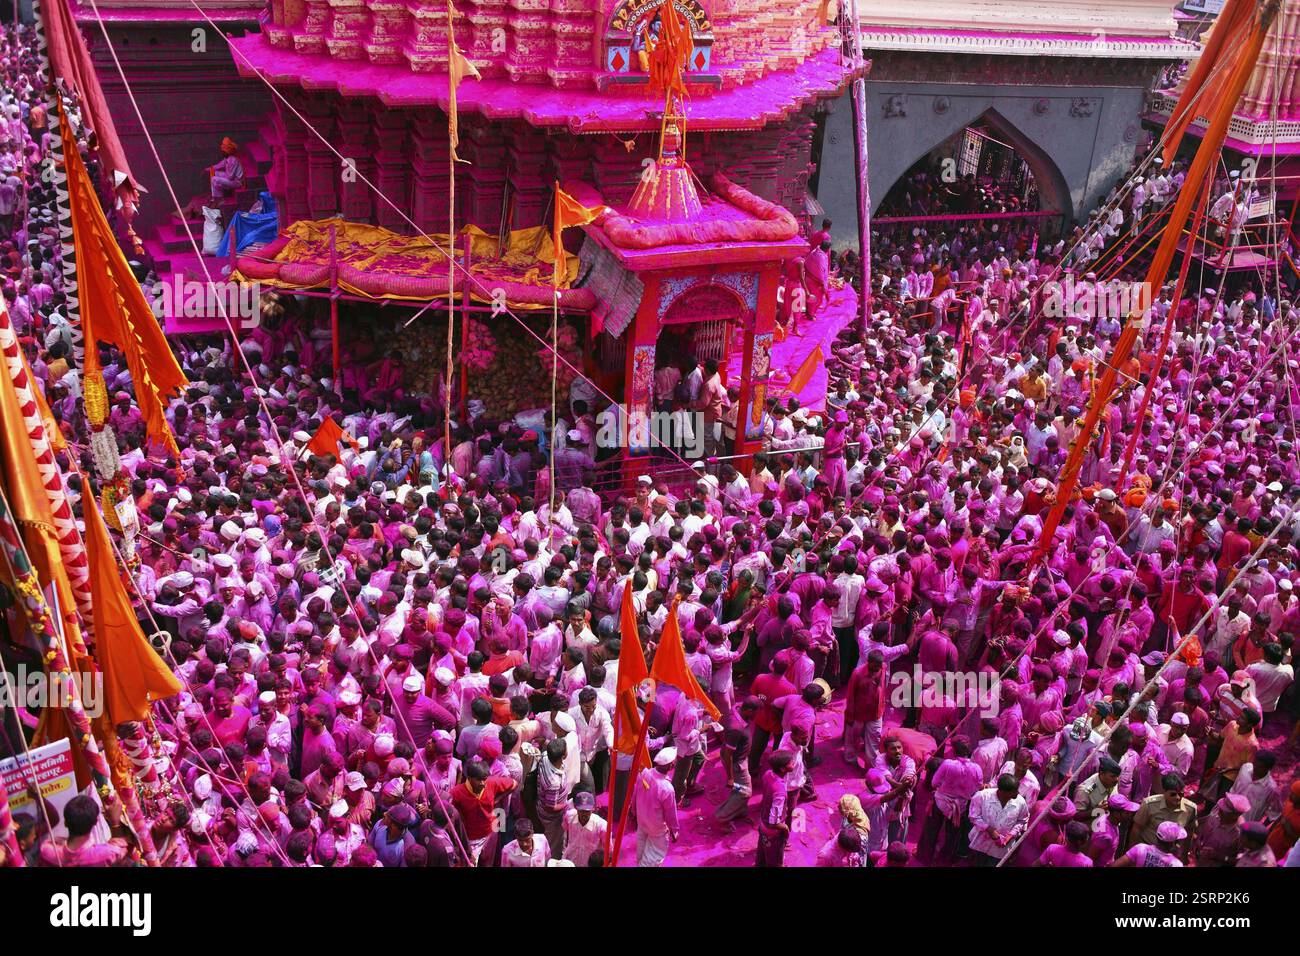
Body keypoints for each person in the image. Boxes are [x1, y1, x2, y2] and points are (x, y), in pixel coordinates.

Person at [633, 747, 679, 867]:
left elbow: (634, 795)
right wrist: (674, 830)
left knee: (641, 853)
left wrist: (633, 813)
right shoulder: (667, 788)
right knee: (653, 857)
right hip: (657, 829)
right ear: (671, 765)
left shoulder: (643, 774)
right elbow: (670, 813)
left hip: (642, 822)